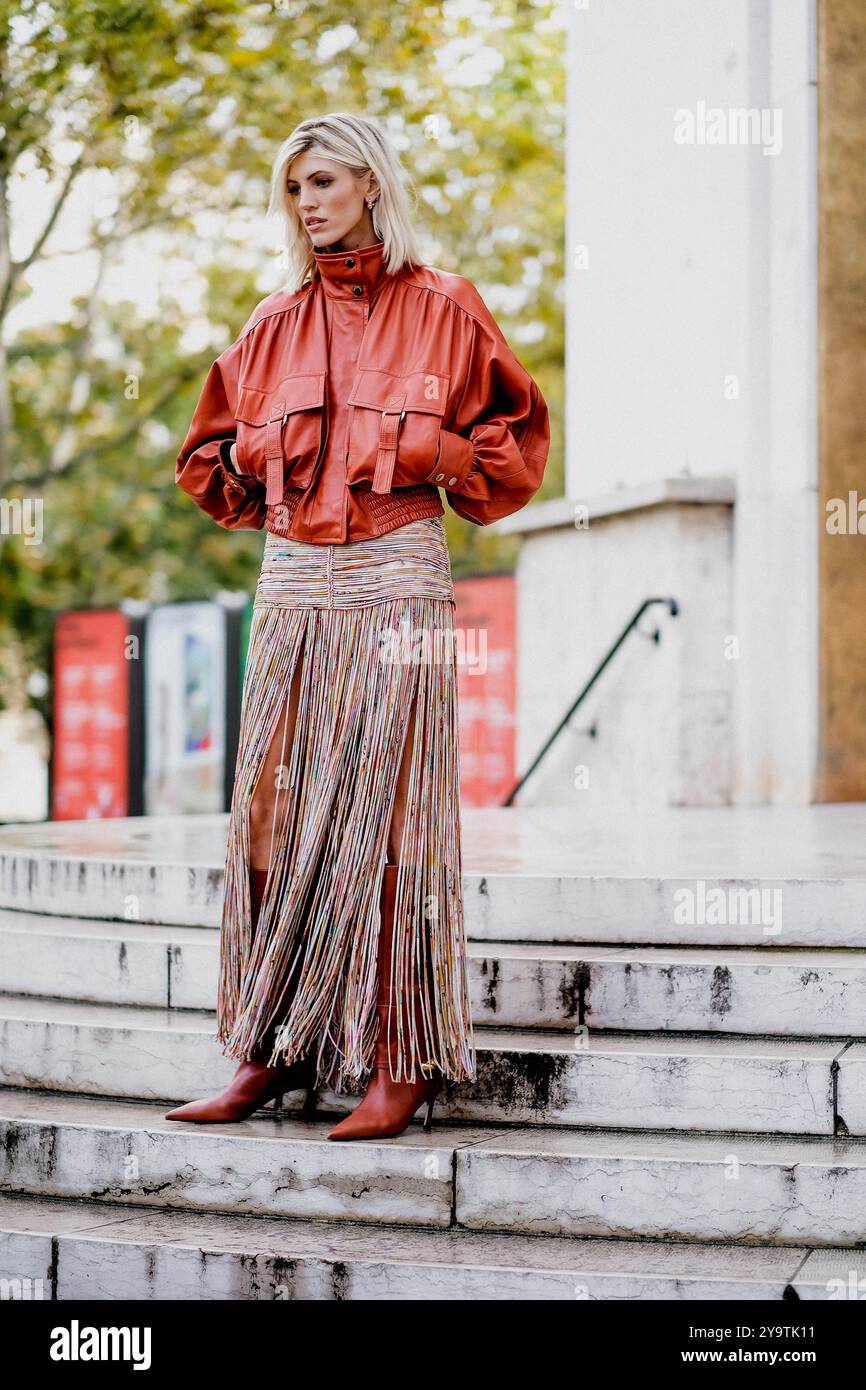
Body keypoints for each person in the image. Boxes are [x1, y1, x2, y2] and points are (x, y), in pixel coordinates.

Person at [165, 112, 550, 1139]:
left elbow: (515, 447)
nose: (309, 202)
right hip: (291, 582)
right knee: (266, 815)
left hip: (396, 578)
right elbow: (203, 460)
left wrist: (448, 459)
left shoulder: (445, 309)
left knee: (391, 818)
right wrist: (248, 467)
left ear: (371, 184)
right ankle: (265, 1045)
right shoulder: (270, 323)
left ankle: (400, 1051)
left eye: (325, 180)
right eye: (295, 188)